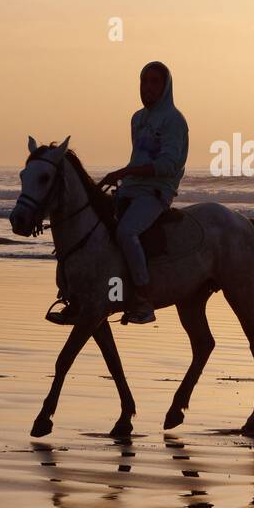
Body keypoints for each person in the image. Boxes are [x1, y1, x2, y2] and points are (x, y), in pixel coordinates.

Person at [99, 61, 187, 324]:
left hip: (157, 191)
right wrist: (125, 178)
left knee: (126, 231)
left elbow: (169, 164)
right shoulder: (137, 119)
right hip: (131, 189)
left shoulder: (173, 120)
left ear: (165, 86)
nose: (147, 87)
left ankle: (144, 299)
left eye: (154, 82)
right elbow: (138, 157)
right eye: (143, 81)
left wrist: (124, 172)